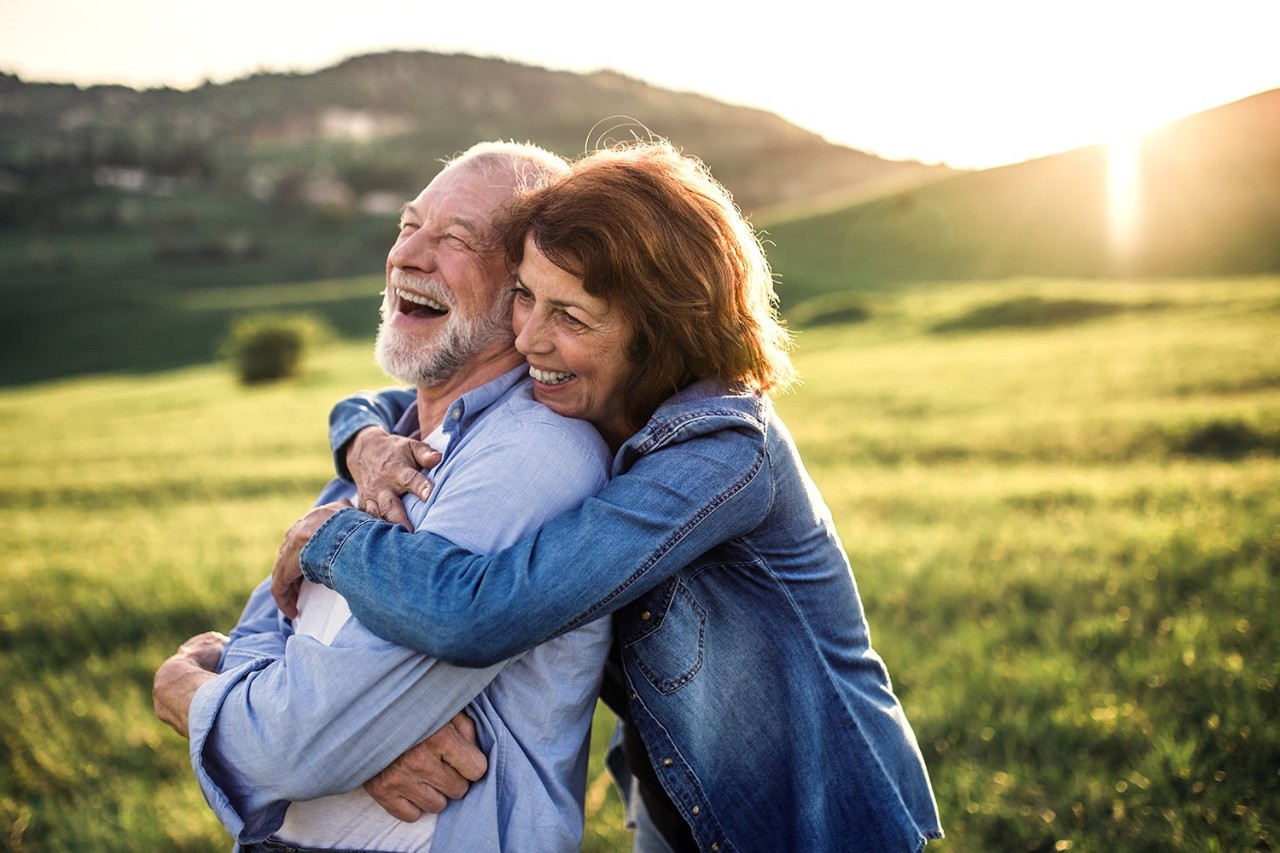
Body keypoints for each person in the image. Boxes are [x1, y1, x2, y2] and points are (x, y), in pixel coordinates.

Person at [273, 139, 944, 852]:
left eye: (571, 317)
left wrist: (330, 538)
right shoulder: (597, 396)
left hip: (807, 820)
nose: (528, 337)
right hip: (675, 799)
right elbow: (381, 401)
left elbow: (483, 612)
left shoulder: (723, 456)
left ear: (658, 333)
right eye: (527, 296)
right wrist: (365, 444)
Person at [152, 141, 616, 852]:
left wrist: (183, 689)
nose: (409, 256)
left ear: (523, 291)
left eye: (456, 239)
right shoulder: (384, 448)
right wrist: (353, 737)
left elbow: (293, 745)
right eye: (408, 226)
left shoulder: (532, 455)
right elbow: (265, 637)